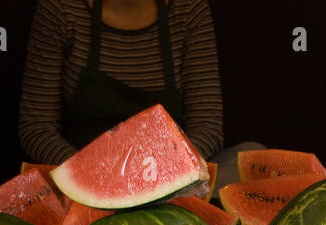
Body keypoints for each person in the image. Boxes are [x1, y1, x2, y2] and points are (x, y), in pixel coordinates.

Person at [18, 0, 225, 165]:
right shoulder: (61, 7)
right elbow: (37, 128)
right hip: (81, 165)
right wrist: (86, 170)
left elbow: (207, 128)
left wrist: (166, 172)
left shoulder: (188, 9)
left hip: (168, 172)